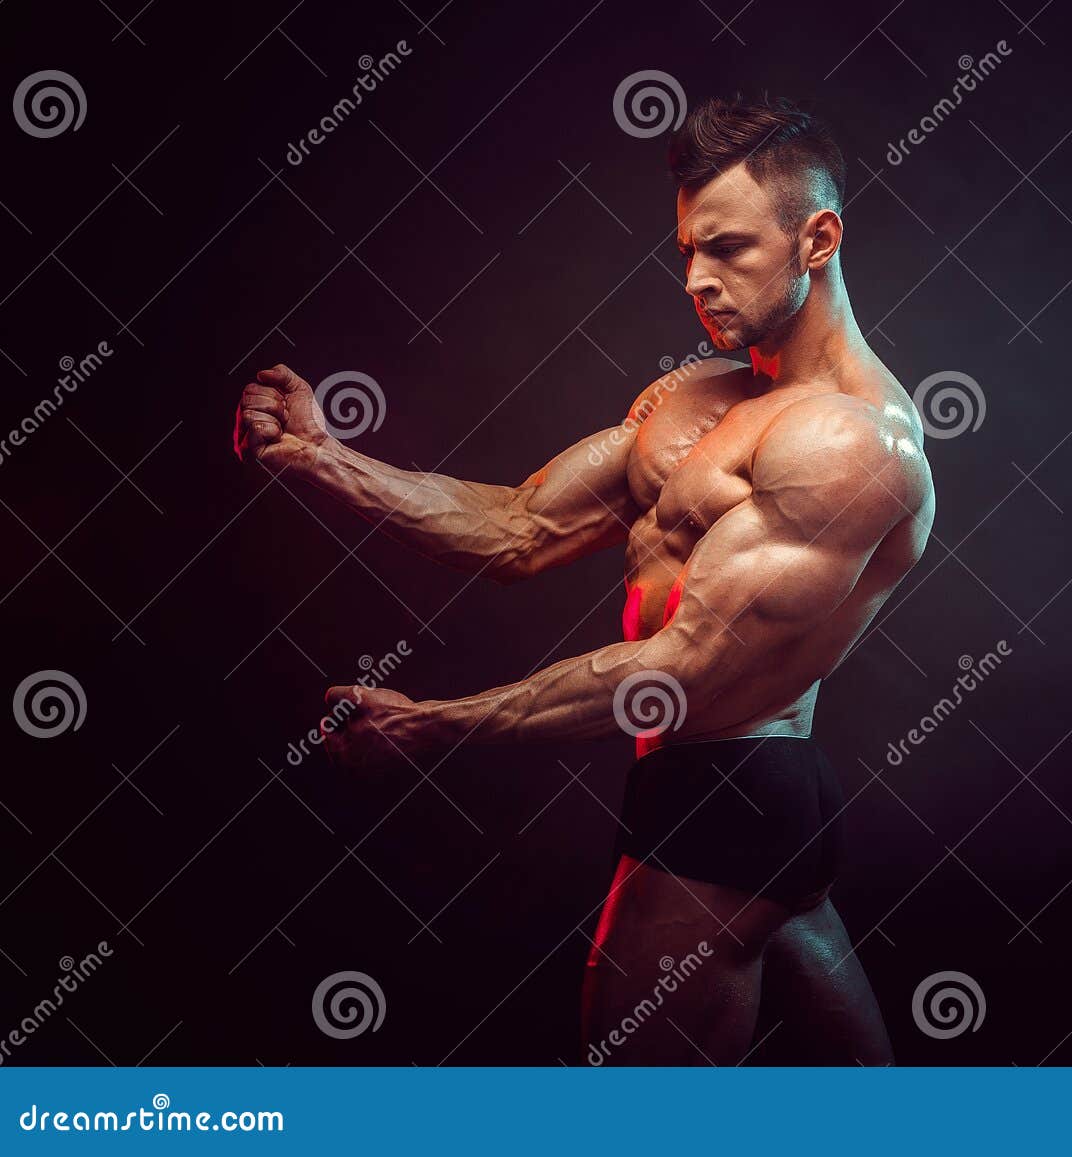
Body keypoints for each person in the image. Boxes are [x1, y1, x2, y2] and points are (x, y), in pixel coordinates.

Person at [233, 94, 935, 1064]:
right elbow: (520, 527)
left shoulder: (852, 444)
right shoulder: (703, 391)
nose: (697, 278)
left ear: (817, 239)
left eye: (729, 248)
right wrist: (324, 460)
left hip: (728, 793)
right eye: (688, 249)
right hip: (728, 791)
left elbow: (679, 670)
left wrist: (434, 726)